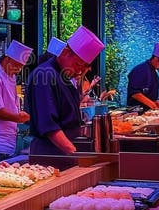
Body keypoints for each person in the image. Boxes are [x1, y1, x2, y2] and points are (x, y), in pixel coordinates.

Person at [26, 25, 105, 156]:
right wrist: (74, 153)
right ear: (65, 52)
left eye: (84, 68)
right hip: (51, 154)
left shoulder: (64, 76)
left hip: (64, 151)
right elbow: (49, 126)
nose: (79, 71)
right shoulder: (44, 75)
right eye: (78, 65)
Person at [126, 42, 159, 111]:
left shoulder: (154, 73)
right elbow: (134, 93)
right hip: (136, 111)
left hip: (147, 111)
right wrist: (152, 105)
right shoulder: (140, 70)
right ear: (156, 58)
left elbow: (151, 95)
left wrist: (156, 101)